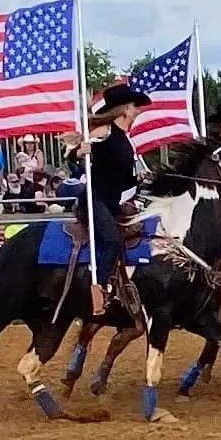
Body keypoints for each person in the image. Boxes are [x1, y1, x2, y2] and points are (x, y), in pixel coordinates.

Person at [64, 82, 152, 305]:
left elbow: (120, 178)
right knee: (112, 240)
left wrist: (138, 179)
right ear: (123, 108)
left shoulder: (125, 139)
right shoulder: (106, 131)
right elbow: (77, 154)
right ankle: (99, 290)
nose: (138, 110)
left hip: (110, 201)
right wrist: (77, 152)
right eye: (135, 106)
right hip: (95, 200)